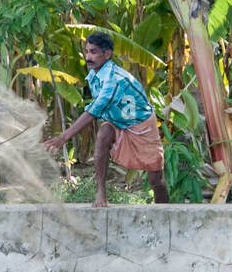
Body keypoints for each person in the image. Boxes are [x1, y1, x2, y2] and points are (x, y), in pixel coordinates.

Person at [43, 31, 169, 207]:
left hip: (141, 125)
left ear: (107, 54)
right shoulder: (95, 75)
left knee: (156, 180)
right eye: (87, 51)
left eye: (93, 52)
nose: (88, 57)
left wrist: (63, 138)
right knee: (103, 134)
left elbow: (93, 111)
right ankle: (101, 193)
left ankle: (164, 212)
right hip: (117, 121)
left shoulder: (114, 80)